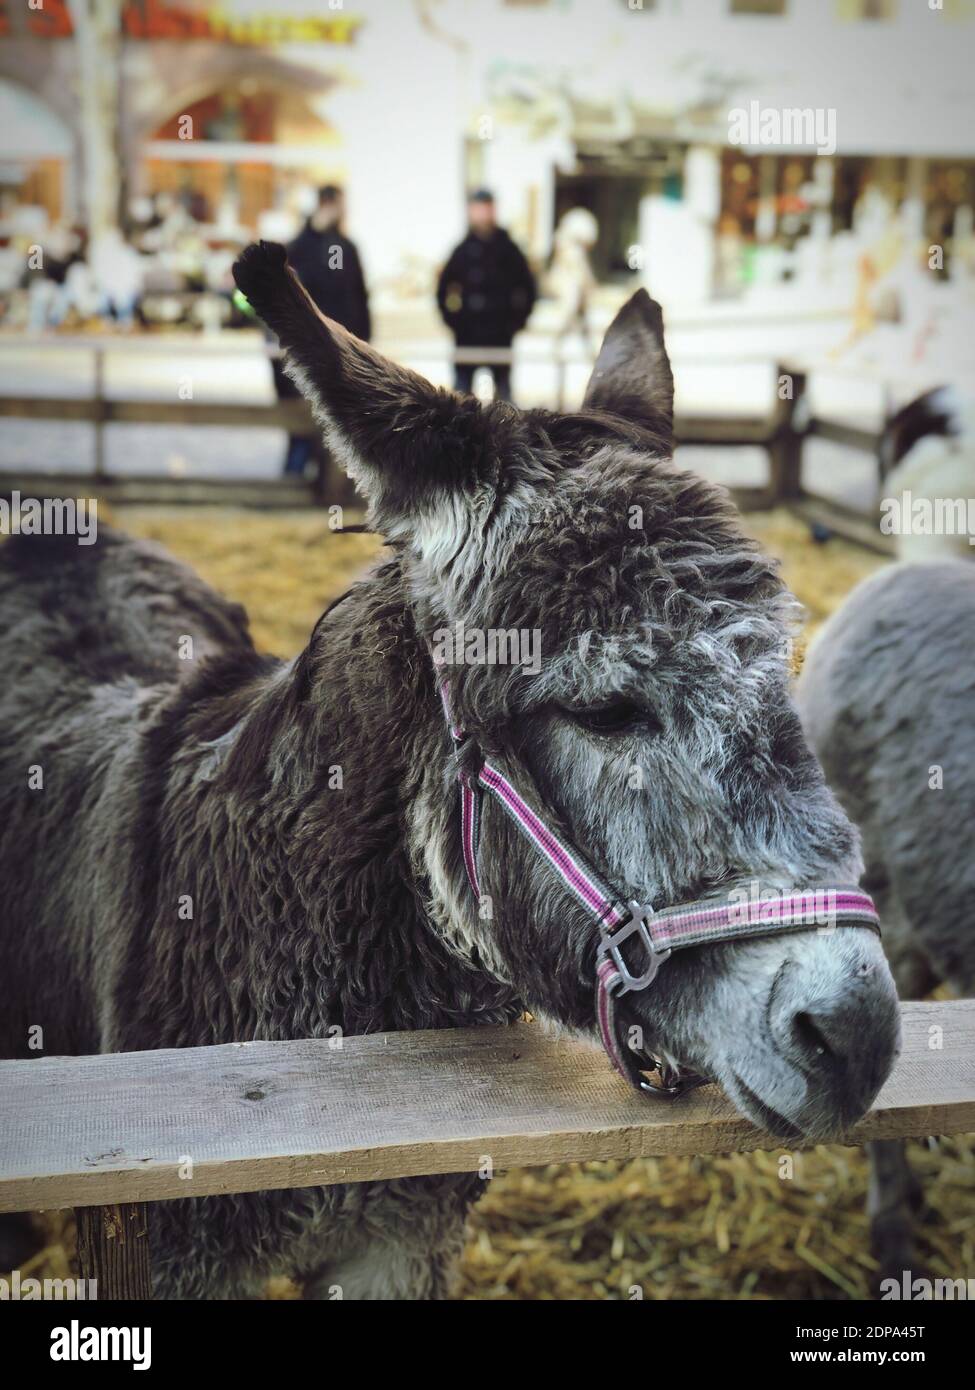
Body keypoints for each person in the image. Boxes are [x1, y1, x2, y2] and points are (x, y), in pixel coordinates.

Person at [277, 185, 371, 475]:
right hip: (308, 349)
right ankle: (293, 483)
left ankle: (325, 487)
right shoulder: (301, 247)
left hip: (342, 353)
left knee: (335, 425)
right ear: (327, 205)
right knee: (303, 422)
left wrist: (362, 346)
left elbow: (359, 297)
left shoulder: (347, 248)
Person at [436, 190, 536, 402]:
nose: (482, 214)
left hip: (500, 334)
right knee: (461, 401)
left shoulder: (509, 249)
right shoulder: (462, 250)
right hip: (467, 336)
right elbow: (443, 289)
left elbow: (528, 288)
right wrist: (454, 321)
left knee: (505, 401)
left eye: (486, 208)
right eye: (477, 208)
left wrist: (517, 322)